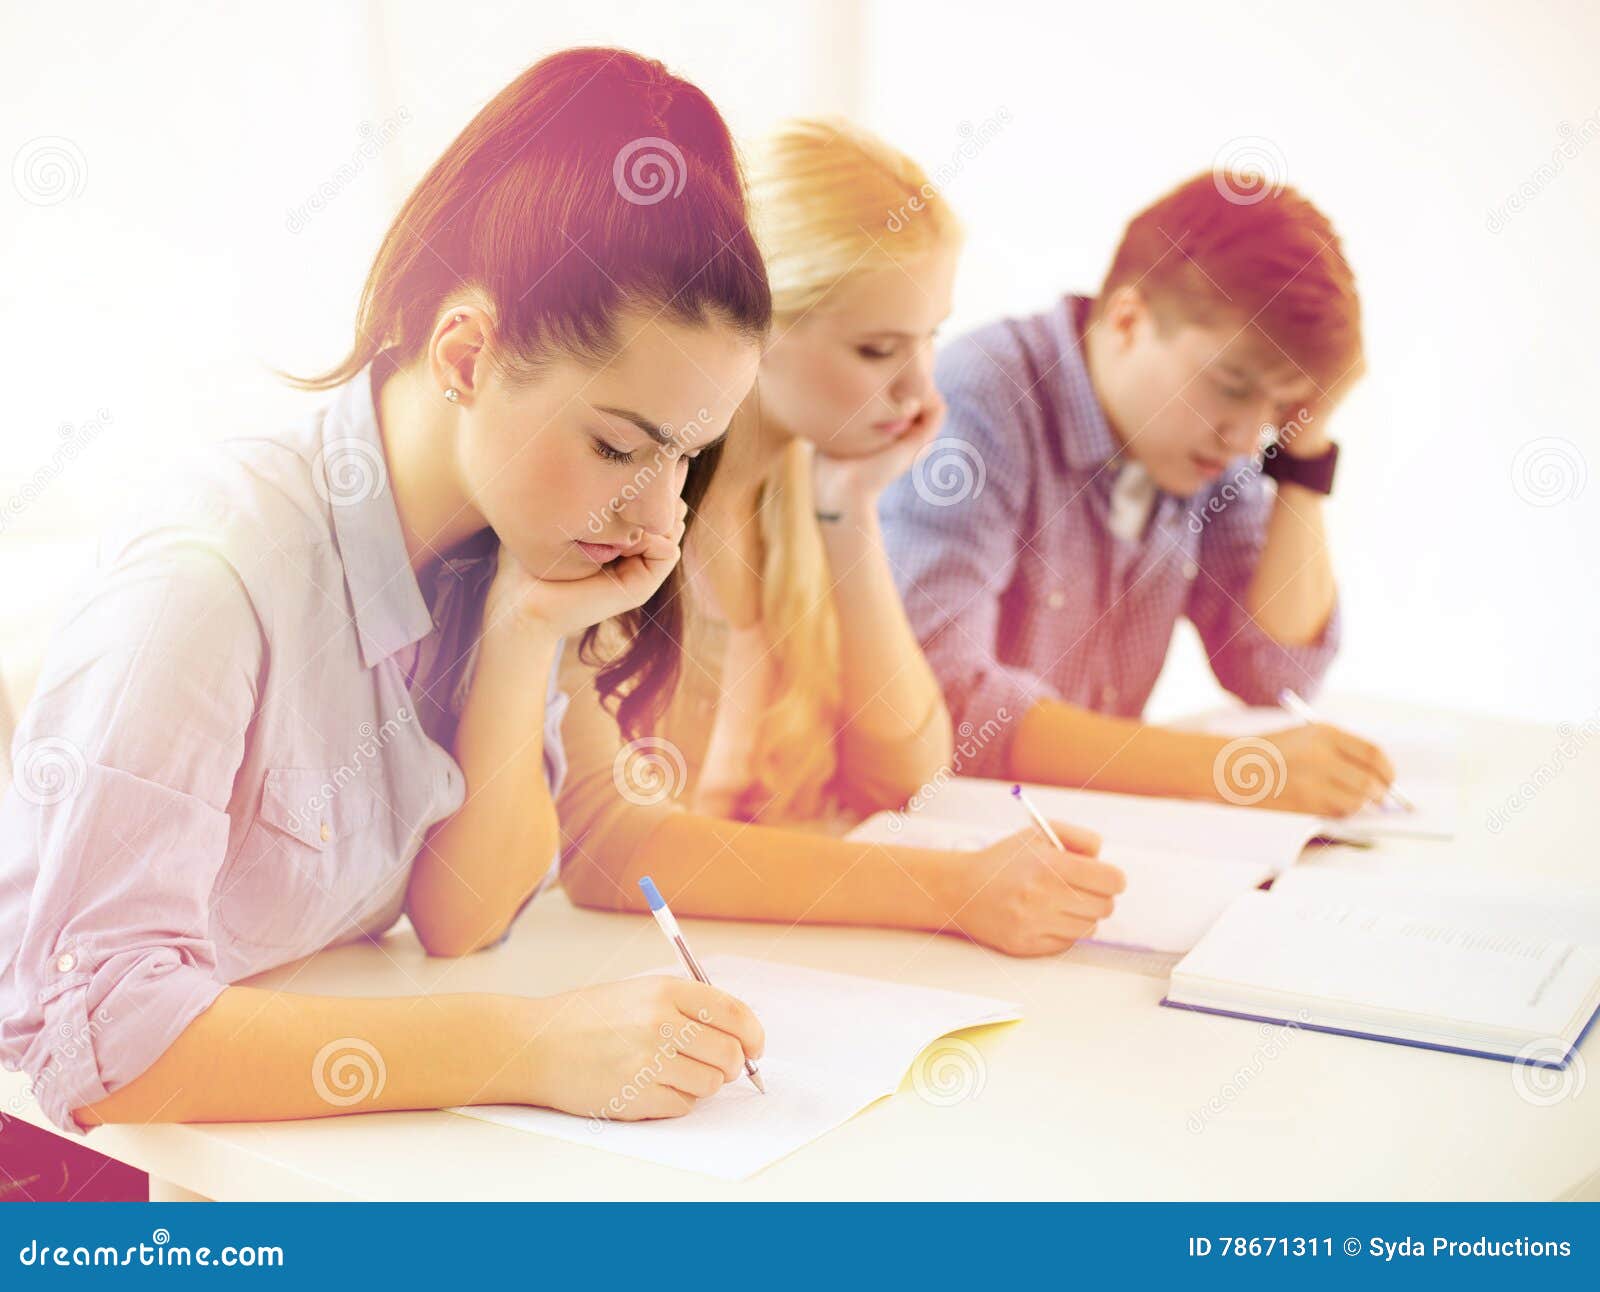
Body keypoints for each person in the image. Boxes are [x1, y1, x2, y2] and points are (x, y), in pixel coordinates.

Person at [0, 48, 770, 1137]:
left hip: (273, 1148)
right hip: (84, 1176)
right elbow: (104, 1039)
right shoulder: (211, 573)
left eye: (685, 462)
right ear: (466, 350)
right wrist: (531, 1043)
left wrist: (525, 627)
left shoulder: (486, 548)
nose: (657, 524)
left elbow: (461, 916)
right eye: (617, 447)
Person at [556, 119, 1123, 954]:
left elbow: (900, 777)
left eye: (930, 339)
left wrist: (850, 513)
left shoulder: (799, 490)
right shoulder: (623, 504)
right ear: (751, 327)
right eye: (876, 349)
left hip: (778, 961)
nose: (923, 393)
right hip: (633, 970)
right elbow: (609, 852)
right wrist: (955, 890)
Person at [879, 172, 1396, 818]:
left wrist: (1305, 450)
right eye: (1234, 387)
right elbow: (940, 703)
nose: (1246, 441)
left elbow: (1276, 672)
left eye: (1279, 405)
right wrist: (1230, 770)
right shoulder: (982, 399)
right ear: (1127, 319)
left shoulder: (1203, 446)